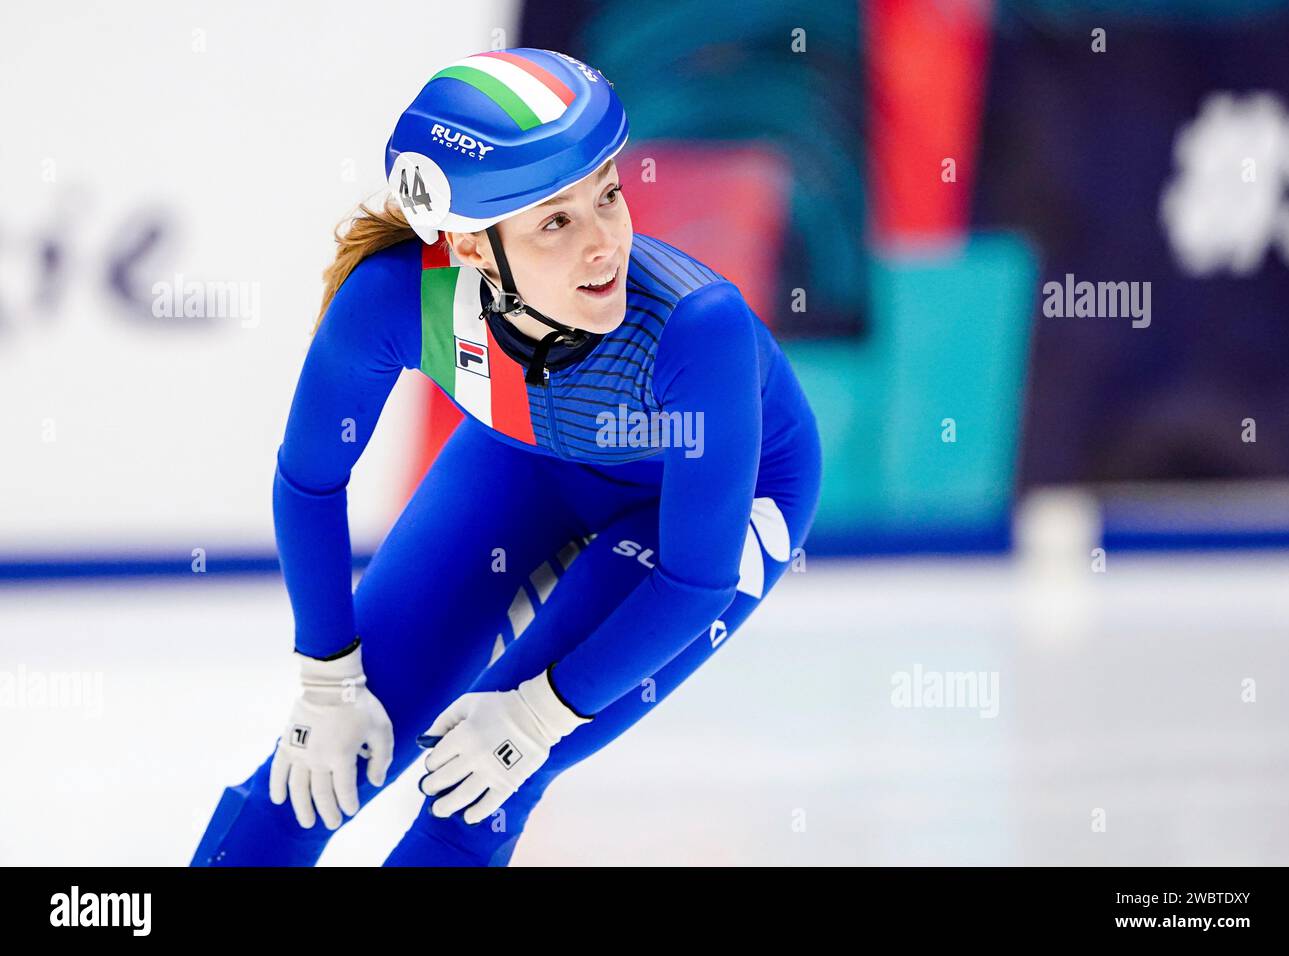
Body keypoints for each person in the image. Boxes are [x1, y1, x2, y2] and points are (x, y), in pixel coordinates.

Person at [190, 47, 822, 866]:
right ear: (472, 249)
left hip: (699, 510)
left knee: (484, 781)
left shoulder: (699, 328)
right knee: (315, 767)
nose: (605, 246)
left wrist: (538, 715)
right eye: (556, 222)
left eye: (609, 197)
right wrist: (325, 678)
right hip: (528, 456)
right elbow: (310, 481)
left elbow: (695, 581)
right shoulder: (394, 297)